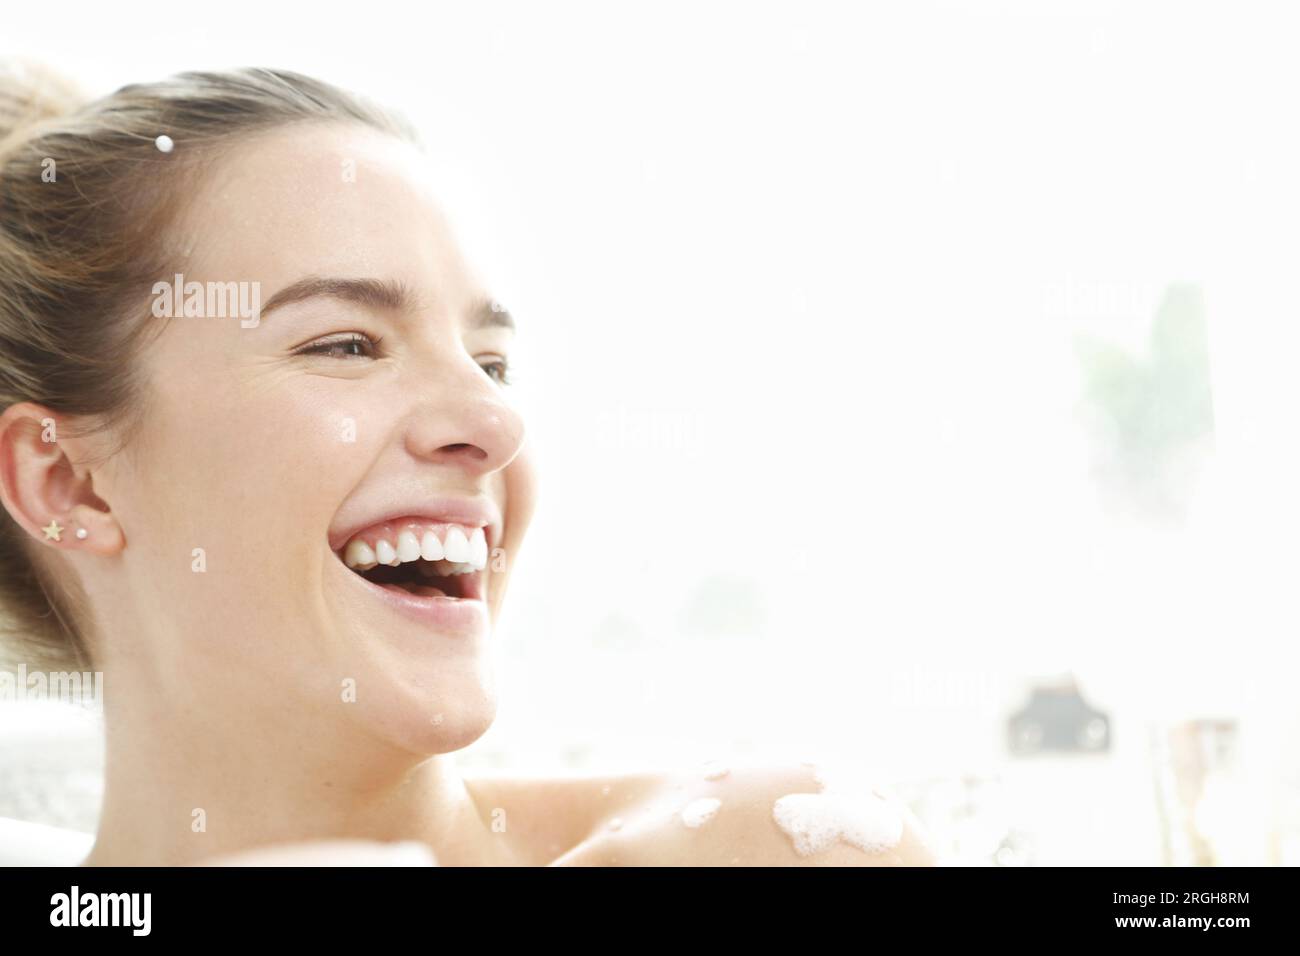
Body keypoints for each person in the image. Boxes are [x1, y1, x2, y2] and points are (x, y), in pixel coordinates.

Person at [0, 64, 935, 866]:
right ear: (67, 483)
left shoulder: (772, 844)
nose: (493, 422)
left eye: (491, 364)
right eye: (347, 345)